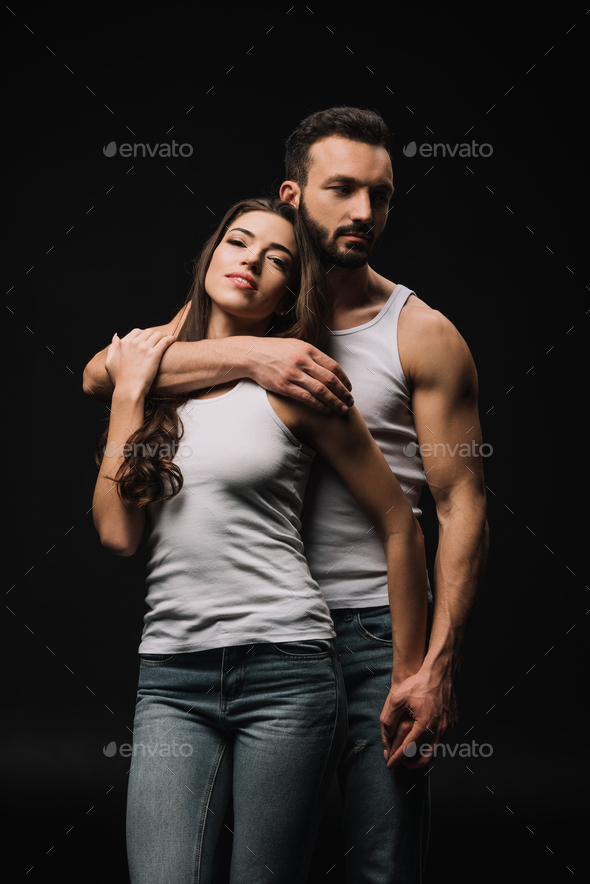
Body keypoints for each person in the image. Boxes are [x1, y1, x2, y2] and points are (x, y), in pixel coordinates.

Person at [84, 108, 489, 882]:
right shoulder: (246, 301)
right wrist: (254, 354)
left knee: (379, 867)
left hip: (375, 631)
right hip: (242, 627)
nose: (364, 212)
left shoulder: (422, 334)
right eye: (343, 189)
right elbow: (107, 372)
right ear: (294, 194)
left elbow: (459, 504)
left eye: (381, 195)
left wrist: (431, 667)